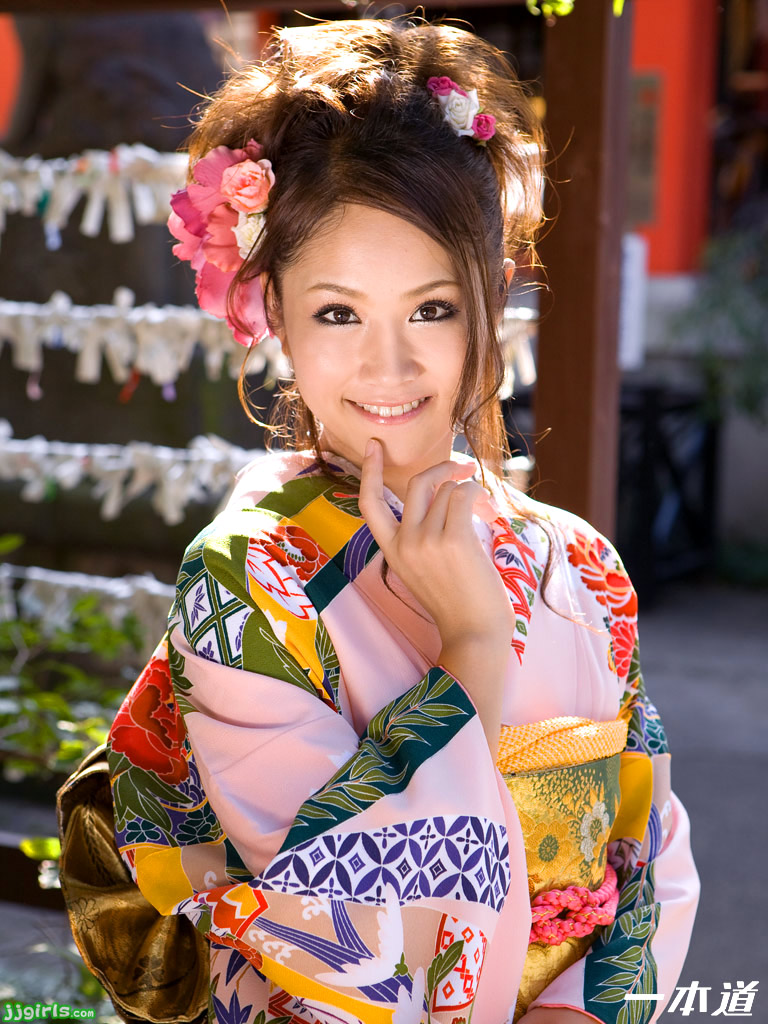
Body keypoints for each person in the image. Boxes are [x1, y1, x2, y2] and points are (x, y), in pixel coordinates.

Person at [62, 17, 700, 1024]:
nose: (389, 366)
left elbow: (646, 851)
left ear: (494, 297)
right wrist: (473, 646)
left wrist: (577, 1011)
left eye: (432, 309)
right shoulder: (248, 579)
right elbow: (331, 937)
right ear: (271, 308)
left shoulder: (581, 564)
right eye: (338, 313)